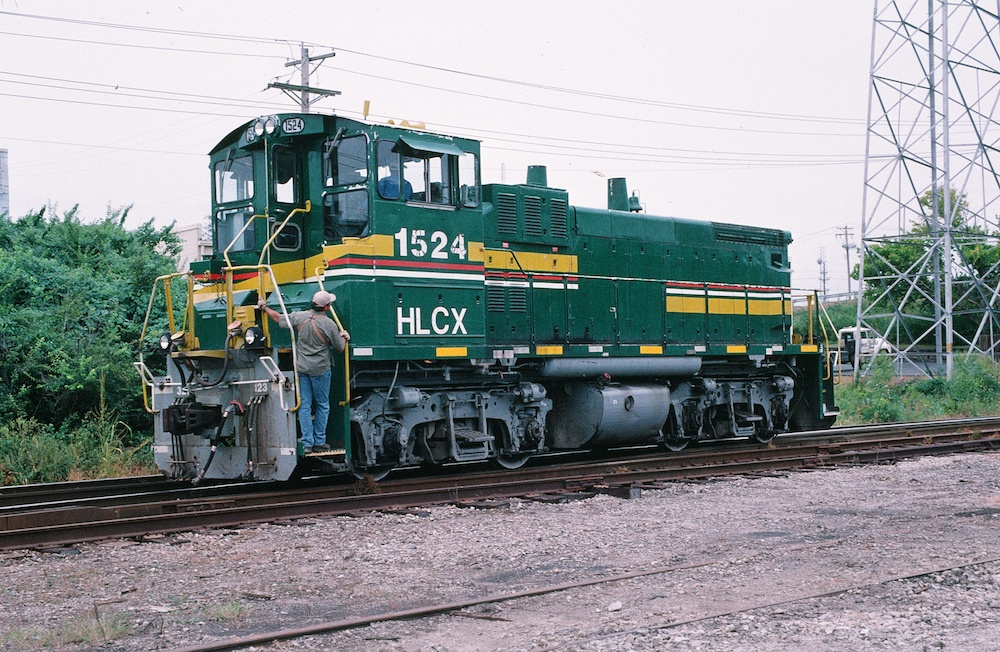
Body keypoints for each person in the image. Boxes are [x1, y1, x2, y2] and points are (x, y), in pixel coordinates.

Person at [258, 290, 350, 454]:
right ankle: (319, 441)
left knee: (304, 405)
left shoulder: (299, 317)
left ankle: (308, 443)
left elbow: (278, 318)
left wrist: (264, 308)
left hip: (302, 368)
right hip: (320, 369)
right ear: (326, 307)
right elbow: (340, 348)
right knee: (322, 405)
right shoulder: (329, 324)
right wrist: (344, 336)